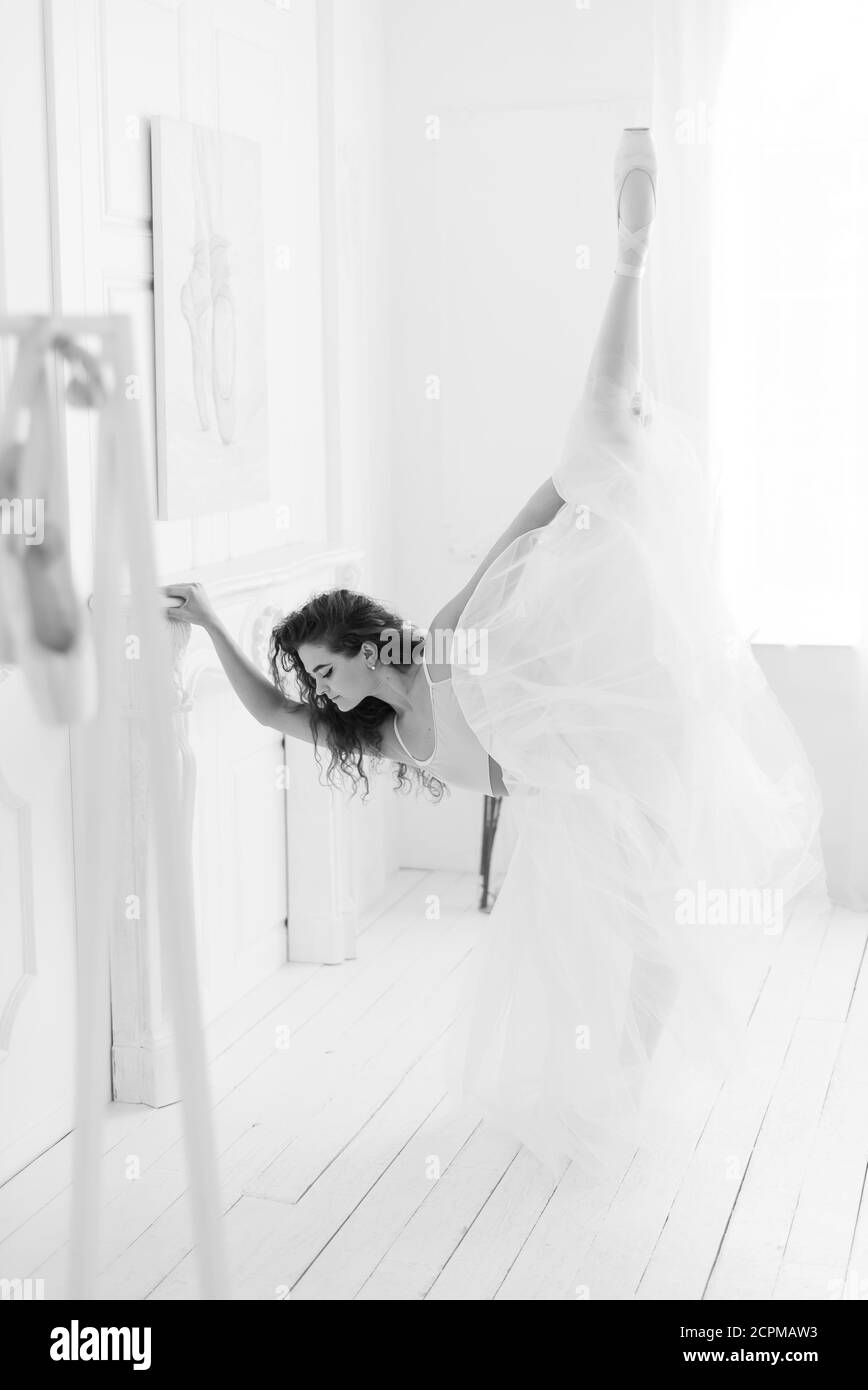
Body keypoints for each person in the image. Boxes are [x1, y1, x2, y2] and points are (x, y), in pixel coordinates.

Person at [167, 129, 828, 1183]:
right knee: (636, 942)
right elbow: (264, 714)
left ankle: (627, 252)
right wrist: (205, 620)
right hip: (575, 796)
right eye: (317, 683)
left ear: (358, 643)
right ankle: (622, 1087)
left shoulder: (431, 642)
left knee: (596, 434)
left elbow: (518, 534)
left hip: (601, 709)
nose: (322, 689)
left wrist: (587, 474)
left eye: (325, 667)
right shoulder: (377, 732)